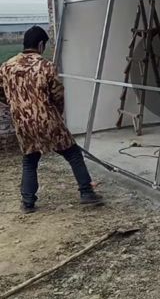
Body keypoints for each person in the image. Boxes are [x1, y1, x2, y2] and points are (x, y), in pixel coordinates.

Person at [0, 25, 103, 213]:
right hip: (48, 120)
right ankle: (87, 192)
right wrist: (58, 114)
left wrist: (17, 106)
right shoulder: (46, 66)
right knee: (73, 154)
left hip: (22, 123)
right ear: (40, 45)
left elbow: (1, 93)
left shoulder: (6, 67)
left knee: (30, 160)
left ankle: (28, 202)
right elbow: (57, 94)